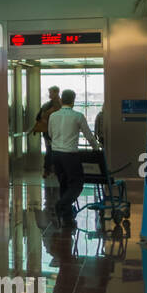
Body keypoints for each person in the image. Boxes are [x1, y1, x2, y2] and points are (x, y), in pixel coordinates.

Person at [48, 89, 96, 223]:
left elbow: (51, 135)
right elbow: (89, 136)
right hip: (70, 155)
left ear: (62, 100)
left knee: (63, 183)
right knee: (77, 184)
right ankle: (62, 204)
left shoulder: (53, 116)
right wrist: (96, 149)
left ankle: (67, 215)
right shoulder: (78, 116)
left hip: (56, 154)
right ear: (73, 101)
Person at [33, 86, 62, 177]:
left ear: (56, 92)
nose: (49, 94)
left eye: (51, 93)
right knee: (55, 151)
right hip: (57, 132)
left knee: (49, 151)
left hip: (48, 132)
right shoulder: (61, 105)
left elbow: (37, 117)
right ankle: (55, 170)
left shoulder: (47, 105)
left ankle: (48, 170)